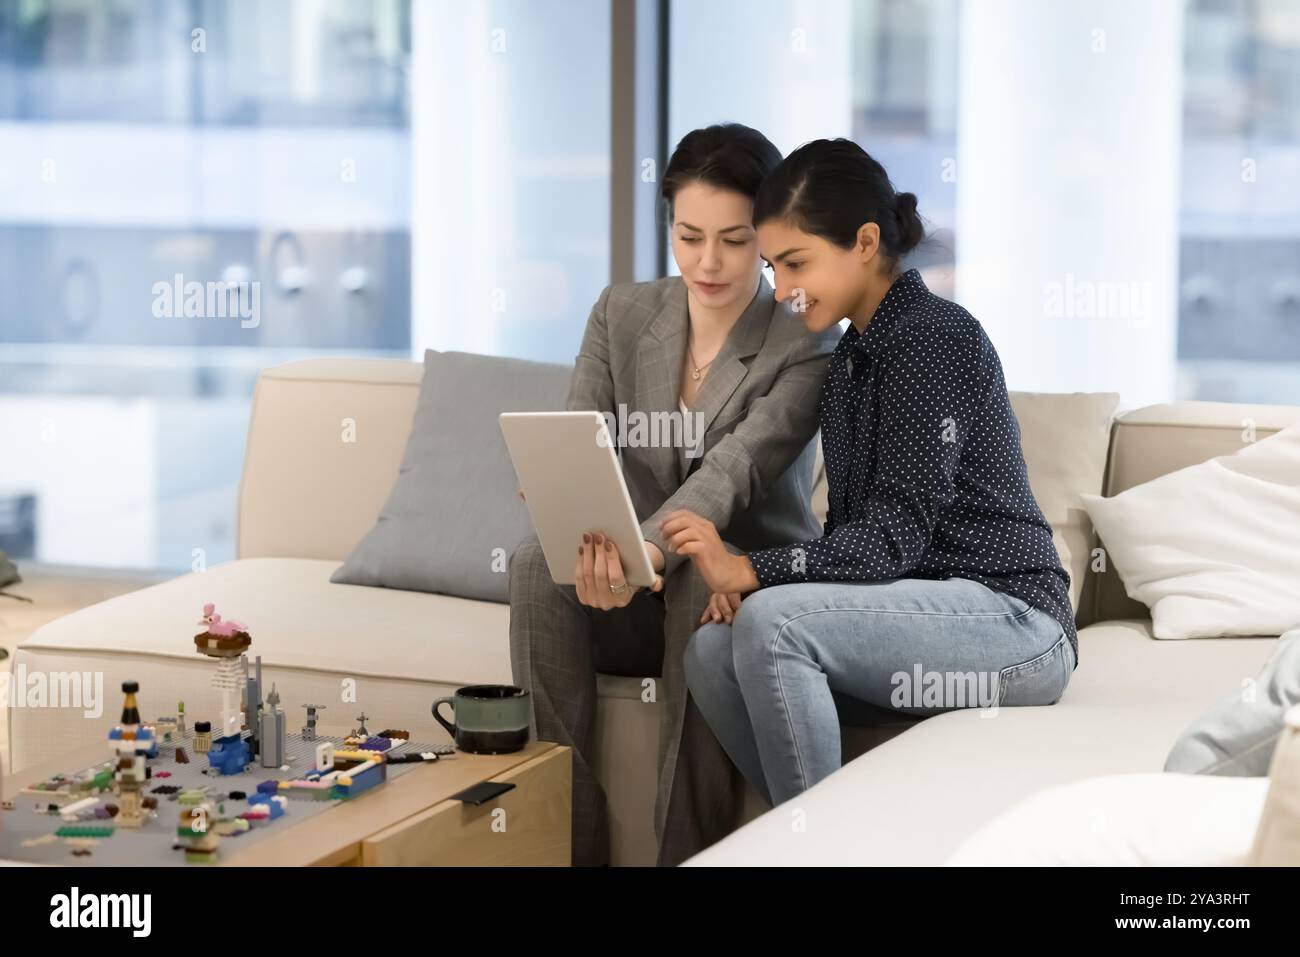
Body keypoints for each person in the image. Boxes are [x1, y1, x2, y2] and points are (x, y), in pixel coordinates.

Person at [667, 138, 1077, 807]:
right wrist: (758, 585)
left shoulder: (932, 337)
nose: (785, 290)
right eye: (773, 267)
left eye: (797, 262)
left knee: (774, 624)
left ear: (863, 242)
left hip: (1014, 620)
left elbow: (893, 544)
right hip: (919, 615)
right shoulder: (852, 357)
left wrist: (752, 572)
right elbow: (851, 539)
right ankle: (812, 834)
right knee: (709, 654)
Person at [508, 123, 840, 865]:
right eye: (689, 236)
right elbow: (579, 435)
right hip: (632, 575)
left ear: (770, 233)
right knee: (536, 565)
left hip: (733, 575)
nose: (709, 261)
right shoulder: (621, 312)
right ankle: (563, 845)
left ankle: (685, 855)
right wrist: (572, 515)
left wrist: (651, 550)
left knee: (695, 570)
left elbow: (732, 472)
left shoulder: (805, 339)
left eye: (734, 238)